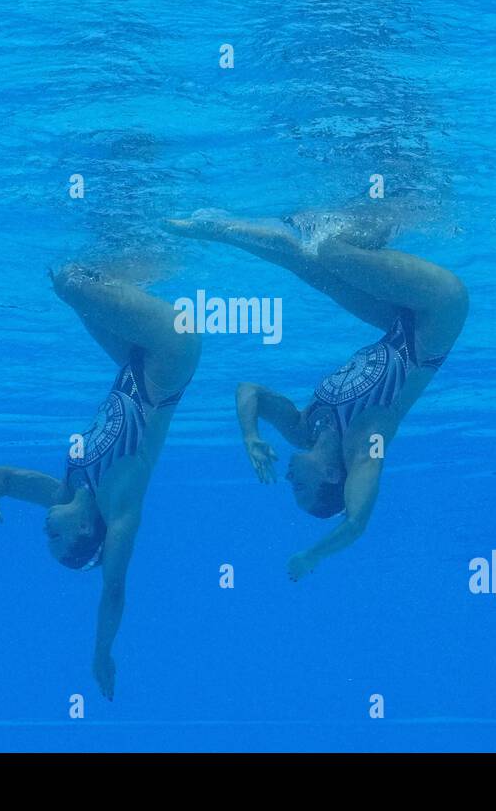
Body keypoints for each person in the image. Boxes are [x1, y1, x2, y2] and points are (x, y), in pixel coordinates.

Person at [167, 214, 467, 581]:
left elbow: (249, 390)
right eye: (300, 486)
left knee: (299, 256)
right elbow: (357, 522)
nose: (288, 478)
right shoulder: (364, 443)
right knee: (329, 248)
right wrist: (313, 555)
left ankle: (211, 226)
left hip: (396, 320)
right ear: (329, 472)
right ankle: (401, 204)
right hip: (438, 311)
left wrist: (250, 435)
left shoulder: (303, 428)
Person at [0, 265, 200, 698]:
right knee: (72, 281)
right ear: (83, 530)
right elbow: (113, 590)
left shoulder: (68, 490)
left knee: (80, 282)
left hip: (134, 360)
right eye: (54, 538)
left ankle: (137, 239)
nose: (45, 531)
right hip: (171, 353)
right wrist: (101, 653)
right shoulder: (120, 510)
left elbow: (4, 479)